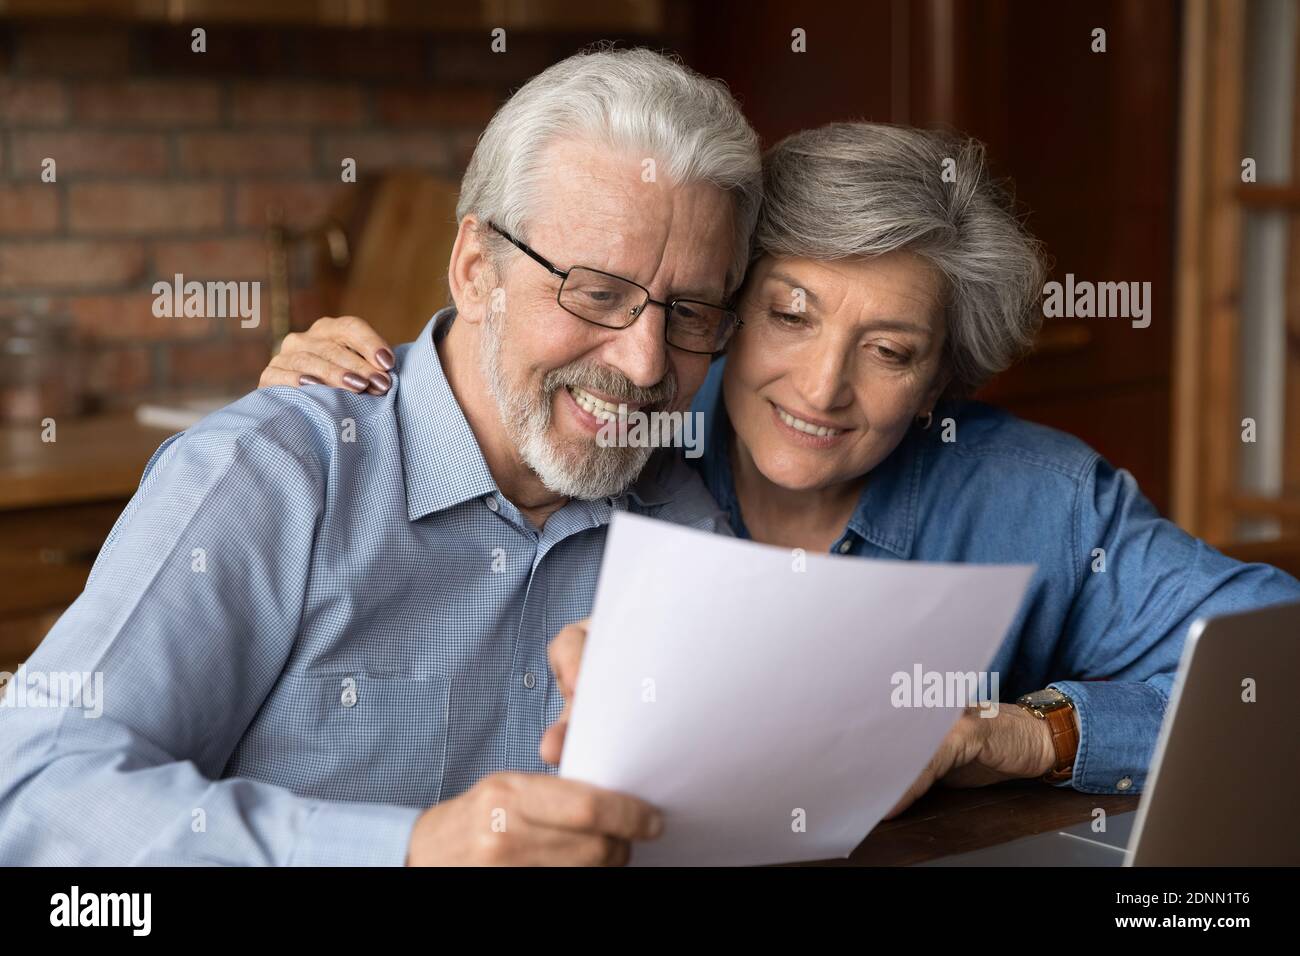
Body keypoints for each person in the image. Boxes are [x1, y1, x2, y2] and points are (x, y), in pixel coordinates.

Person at [271, 121, 1300, 819]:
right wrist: (363, 387)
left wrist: (1023, 734)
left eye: (889, 351)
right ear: (721, 304)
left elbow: (1275, 675)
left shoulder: (1030, 496)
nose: (820, 387)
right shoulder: (628, 421)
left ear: (944, 374)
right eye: (788, 315)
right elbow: (494, 388)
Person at [0, 48, 763, 866]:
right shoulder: (272, 474)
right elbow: (38, 791)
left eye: (688, 313)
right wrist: (411, 850)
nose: (646, 364)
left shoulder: (689, 524)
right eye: (597, 294)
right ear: (476, 272)